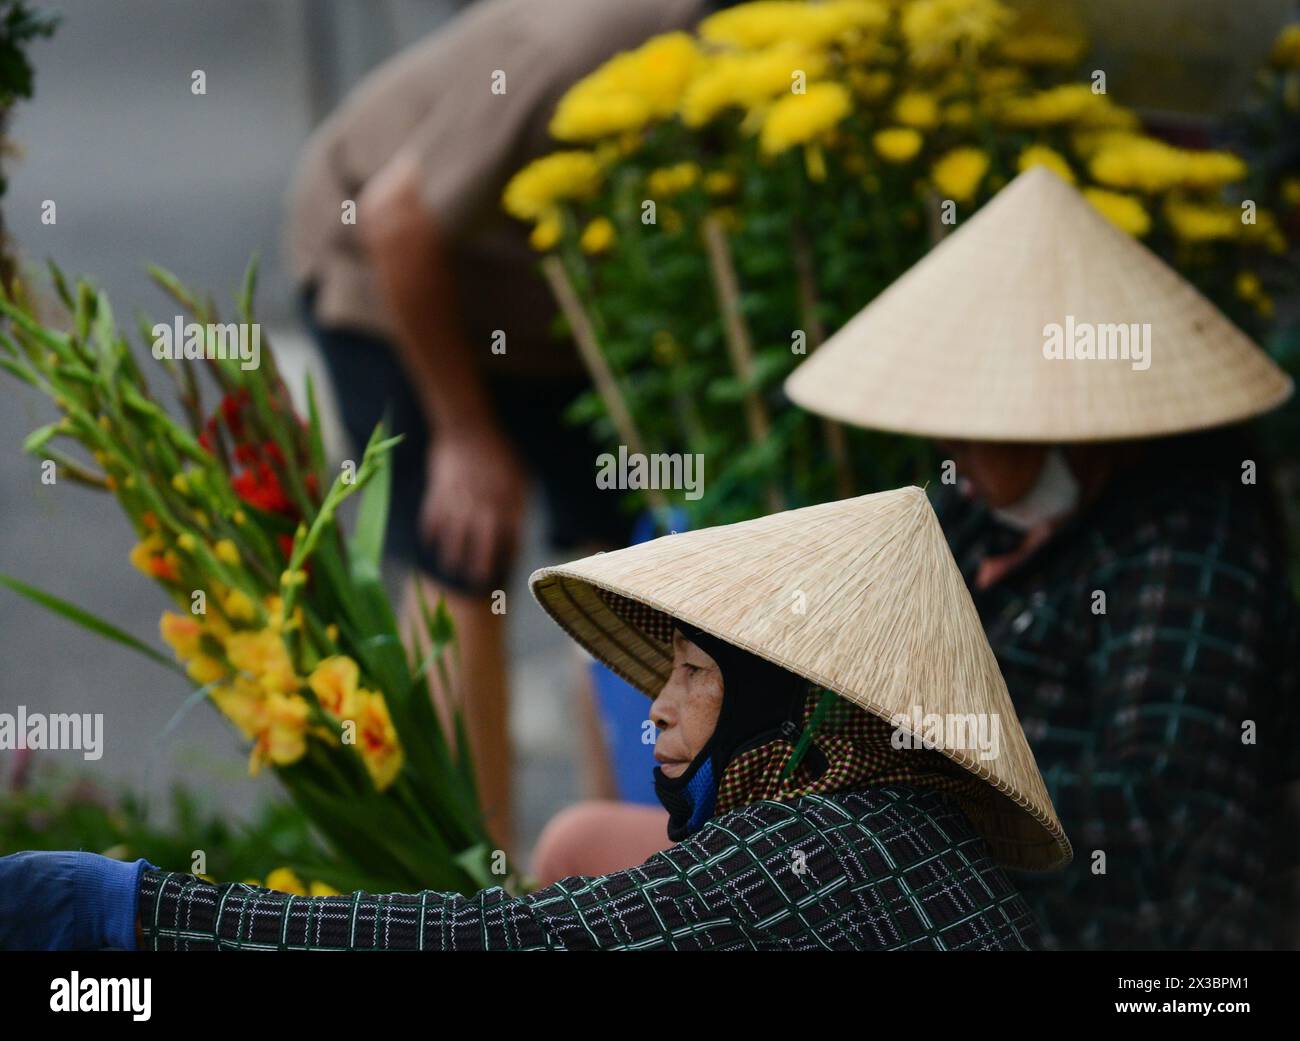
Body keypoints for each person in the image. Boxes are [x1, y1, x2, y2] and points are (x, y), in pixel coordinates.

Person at [0, 488, 1070, 951]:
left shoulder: (791, 861)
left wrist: (144, 912)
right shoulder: (898, 812)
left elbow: (503, 943)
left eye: (694, 672)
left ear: (786, 701)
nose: (658, 704)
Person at [786, 166, 1300, 949]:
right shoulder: (982, 508)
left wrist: (921, 786)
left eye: (971, 432)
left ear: (1068, 423)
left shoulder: (1190, 551)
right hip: (945, 883)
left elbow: (1157, 807)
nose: (947, 449)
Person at [289, 0, 714, 847]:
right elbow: (395, 217)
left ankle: (620, 874)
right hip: (382, 266)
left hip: (547, 297)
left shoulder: (764, 52)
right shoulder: (583, 47)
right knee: (467, 550)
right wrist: (465, 434)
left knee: (623, 570)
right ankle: (467, 891)